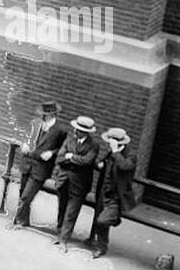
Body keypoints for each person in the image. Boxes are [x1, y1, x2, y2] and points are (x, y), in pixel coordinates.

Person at [12, 100, 69, 229]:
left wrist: (52, 153)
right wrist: (24, 144)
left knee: (26, 196)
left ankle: (18, 222)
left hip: (41, 168)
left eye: (45, 114)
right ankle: (24, 221)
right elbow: (27, 138)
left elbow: (63, 148)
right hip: (27, 163)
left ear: (52, 115)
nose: (42, 116)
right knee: (22, 194)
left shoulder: (61, 130)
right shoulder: (35, 124)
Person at [87, 128, 137, 259]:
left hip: (116, 197)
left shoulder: (130, 155)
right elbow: (98, 162)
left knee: (102, 220)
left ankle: (114, 220)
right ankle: (101, 247)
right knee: (100, 220)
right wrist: (100, 164)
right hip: (104, 193)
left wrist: (115, 151)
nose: (108, 144)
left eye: (110, 142)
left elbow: (125, 166)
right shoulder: (110, 153)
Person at [55, 115, 99, 251]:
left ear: (85, 132)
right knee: (62, 208)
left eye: (78, 130)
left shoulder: (93, 145)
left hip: (80, 184)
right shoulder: (69, 140)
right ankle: (59, 232)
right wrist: (70, 158)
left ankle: (63, 240)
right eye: (76, 129)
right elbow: (60, 157)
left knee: (71, 212)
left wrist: (71, 156)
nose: (75, 131)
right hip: (64, 180)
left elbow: (87, 161)